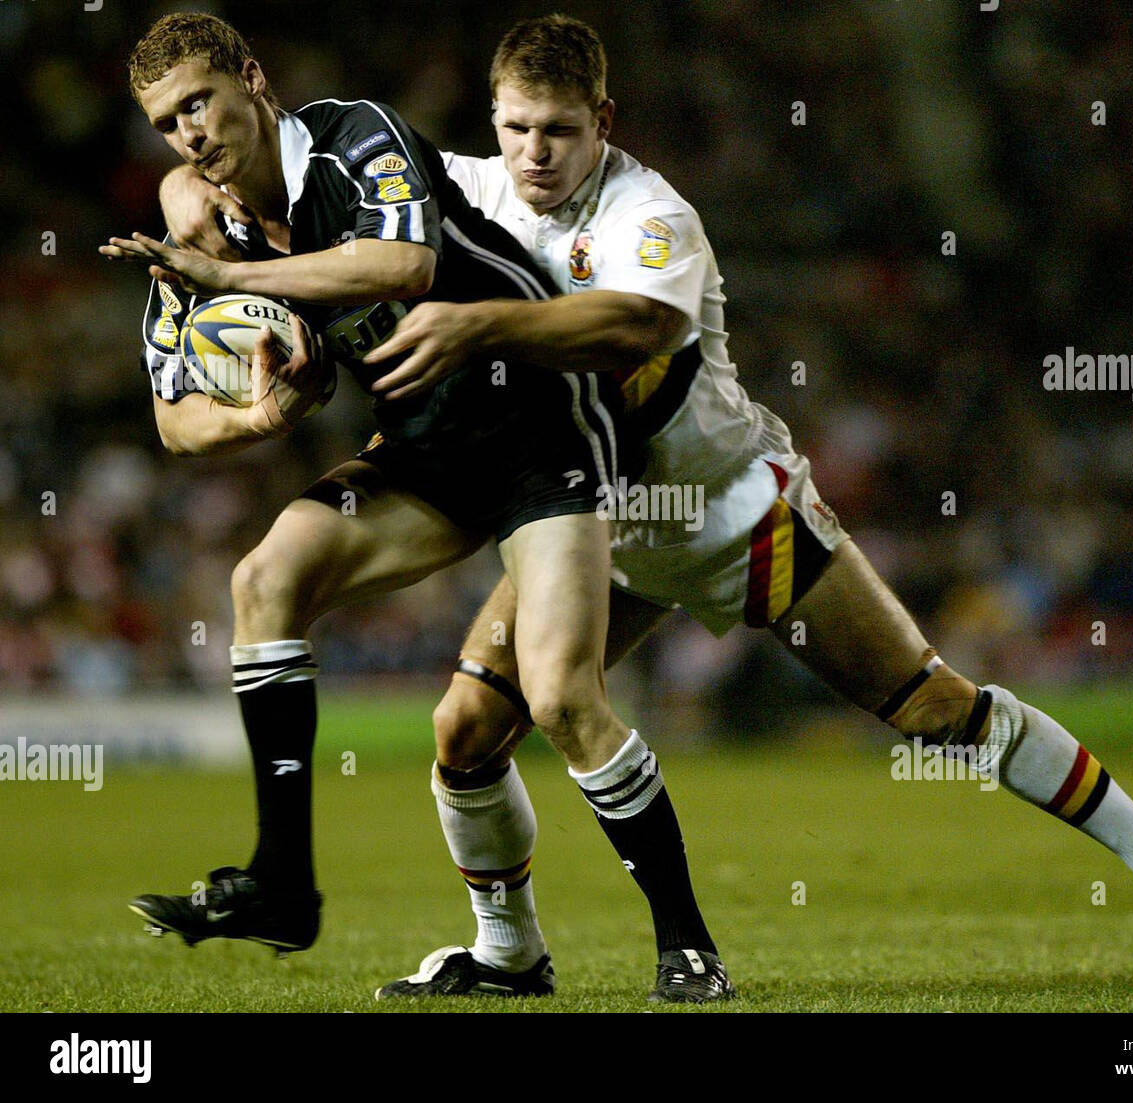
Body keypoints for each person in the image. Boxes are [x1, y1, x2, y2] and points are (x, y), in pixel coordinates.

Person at [162, 16, 1133, 1000]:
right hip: (594, 511)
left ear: (603, 118)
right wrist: (187, 193)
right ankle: (506, 952)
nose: (532, 155)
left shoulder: (655, 217)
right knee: (465, 734)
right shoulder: (474, 180)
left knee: (932, 710)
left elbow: (633, 331)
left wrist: (480, 326)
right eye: (512, 129)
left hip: (730, 509)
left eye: (556, 130)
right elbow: (303, 183)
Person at [103, 11, 731, 1003]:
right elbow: (176, 422)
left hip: (542, 425)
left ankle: (688, 946)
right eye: (165, 121)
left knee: (561, 697)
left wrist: (234, 275)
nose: (187, 133)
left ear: (253, 80)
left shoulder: (357, 138)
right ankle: (282, 883)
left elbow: (404, 267)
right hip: (425, 452)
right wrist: (258, 414)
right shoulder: (200, 231)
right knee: (263, 577)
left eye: (199, 102)